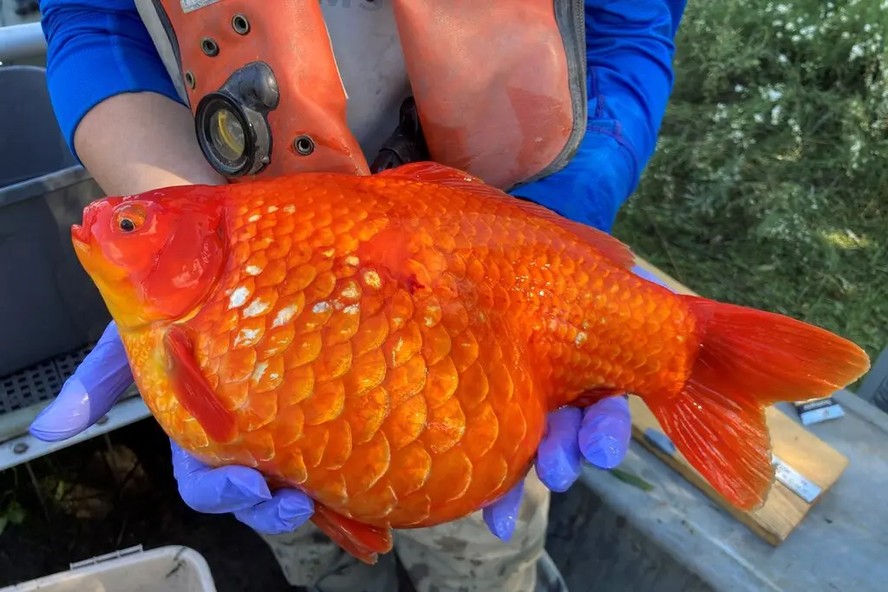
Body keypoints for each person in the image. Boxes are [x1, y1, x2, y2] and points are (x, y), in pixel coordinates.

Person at [29, 1, 687, 590]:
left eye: (128, 224)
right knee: (290, 518)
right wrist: (175, 213)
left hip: (481, 276)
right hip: (236, 213)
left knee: (483, 541)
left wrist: (546, 239)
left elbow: (626, 30)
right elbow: (93, 17)